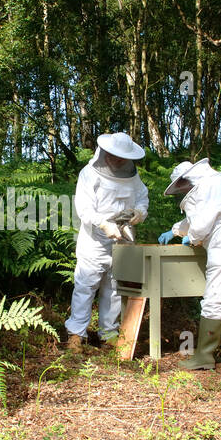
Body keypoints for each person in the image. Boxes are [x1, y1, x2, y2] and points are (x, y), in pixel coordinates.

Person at [157, 158, 221, 369]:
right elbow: (202, 217)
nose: (182, 191)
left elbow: (200, 225)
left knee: (213, 301)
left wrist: (191, 237)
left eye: (182, 186)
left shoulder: (204, 188)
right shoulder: (218, 183)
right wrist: (175, 230)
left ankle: (204, 356)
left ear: (187, 180)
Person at [65, 132, 149, 350]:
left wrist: (140, 212)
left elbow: (142, 196)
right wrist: (103, 223)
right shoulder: (89, 174)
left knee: (114, 288)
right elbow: (84, 208)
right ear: (106, 152)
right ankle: (76, 334)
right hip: (94, 241)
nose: (118, 160)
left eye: (123, 156)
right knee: (85, 286)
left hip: (123, 239)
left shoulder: (133, 175)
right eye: (114, 155)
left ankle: (108, 333)